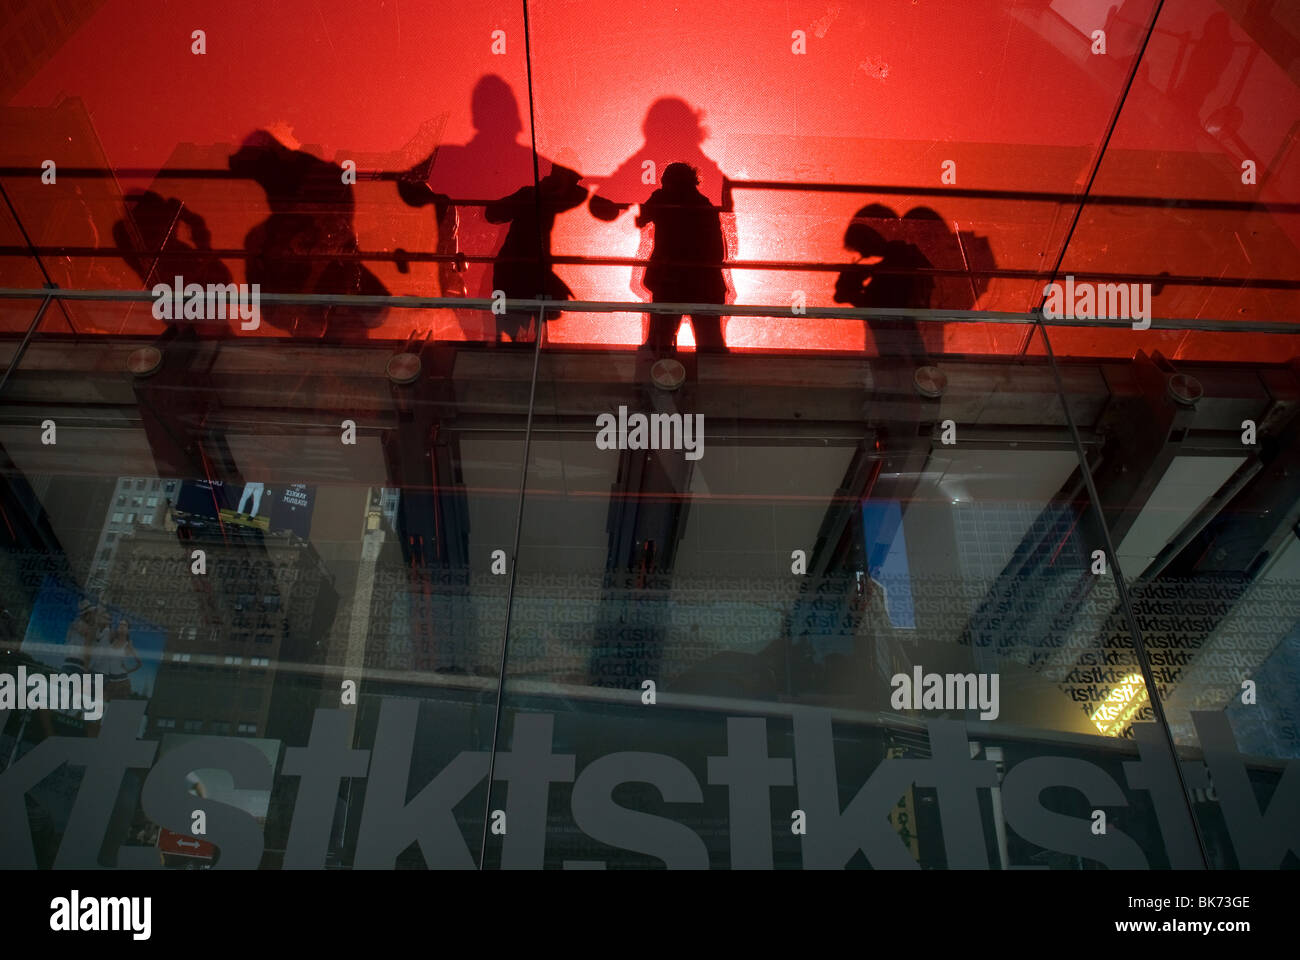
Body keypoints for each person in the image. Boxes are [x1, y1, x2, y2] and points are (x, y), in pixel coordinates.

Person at [483, 164, 588, 343]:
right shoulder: (530, 195)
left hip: (529, 271)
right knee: (511, 327)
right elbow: (492, 214)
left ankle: (520, 350)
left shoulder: (549, 198)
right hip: (514, 272)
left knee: (530, 326)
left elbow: (579, 195)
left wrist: (552, 189)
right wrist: (538, 194)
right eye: (571, 178)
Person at [635, 162, 727, 353]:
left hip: (669, 279)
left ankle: (655, 374)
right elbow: (717, 251)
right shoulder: (704, 205)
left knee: (660, 337)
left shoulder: (664, 200)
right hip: (703, 282)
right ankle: (714, 377)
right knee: (709, 339)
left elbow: (641, 219)